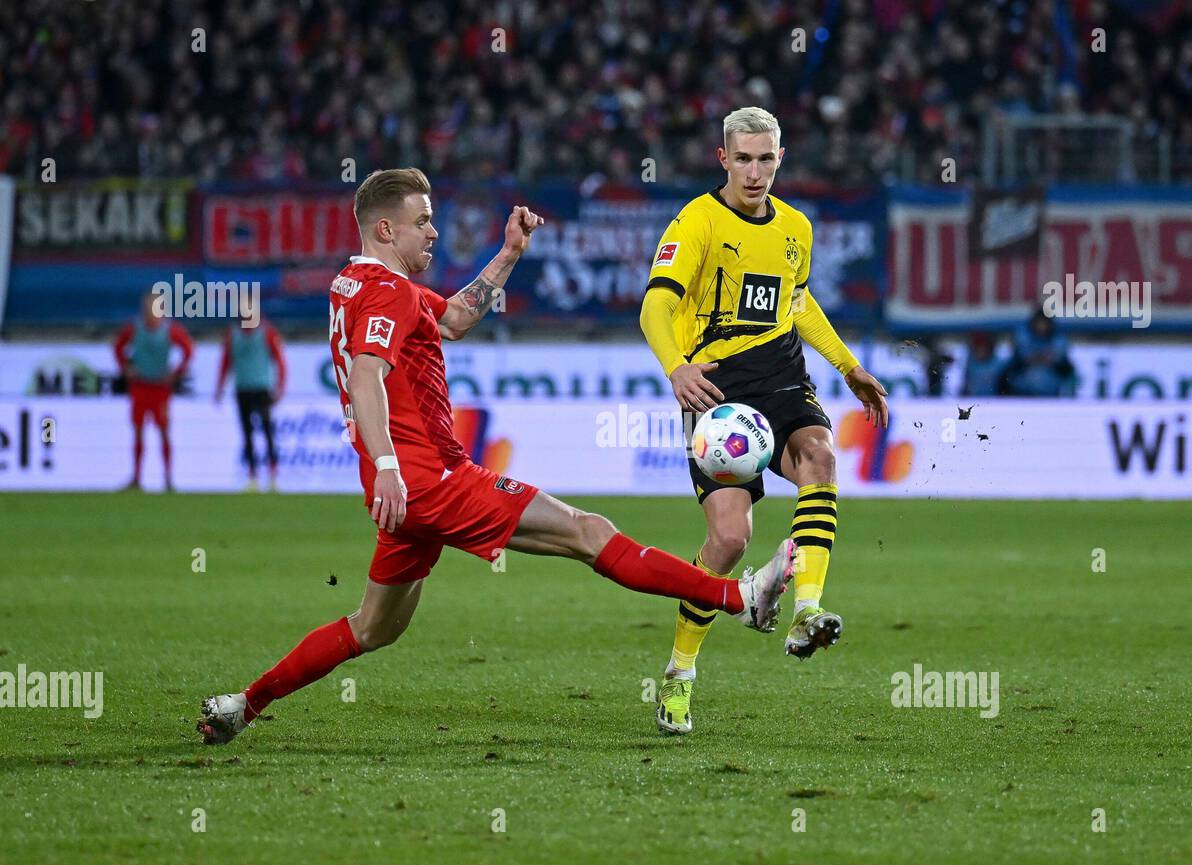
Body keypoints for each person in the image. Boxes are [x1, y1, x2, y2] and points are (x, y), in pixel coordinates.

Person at [197, 168, 795, 745]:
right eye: (422, 221)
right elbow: (366, 380)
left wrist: (509, 252)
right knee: (588, 533)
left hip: (406, 496)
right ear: (386, 230)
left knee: (372, 628)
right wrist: (387, 466)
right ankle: (738, 598)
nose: (434, 232)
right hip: (431, 479)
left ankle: (241, 705)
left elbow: (454, 320)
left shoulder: (355, 285)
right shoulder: (388, 294)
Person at [638, 107, 889, 735]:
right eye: (743, 159)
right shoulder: (696, 221)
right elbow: (655, 306)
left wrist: (848, 365)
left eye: (766, 159)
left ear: (781, 158)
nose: (755, 172)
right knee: (727, 541)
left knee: (822, 458)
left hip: (780, 374)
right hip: (716, 385)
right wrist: (675, 370)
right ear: (723, 159)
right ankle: (678, 674)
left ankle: (807, 608)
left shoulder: (796, 228)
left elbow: (796, 303)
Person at [113, 291, 194, 491]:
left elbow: (189, 350)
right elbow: (118, 348)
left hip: (160, 389)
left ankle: (168, 479)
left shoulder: (170, 330)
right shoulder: (135, 328)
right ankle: (137, 478)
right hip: (140, 387)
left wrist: (176, 373)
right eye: (148, 306)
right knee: (138, 431)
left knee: (164, 431)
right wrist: (126, 368)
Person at [214, 312, 288, 491]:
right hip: (242, 388)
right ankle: (253, 476)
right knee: (247, 433)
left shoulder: (267, 332)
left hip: (262, 388)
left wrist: (280, 388)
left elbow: (280, 361)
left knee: (267, 430)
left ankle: (272, 475)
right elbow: (226, 361)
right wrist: (220, 387)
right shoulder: (232, 334)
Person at [1001, 308, 1076, 397]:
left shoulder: (1059, 341)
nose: (1041, 326)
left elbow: (1065, 369)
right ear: (1033, 323)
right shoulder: (1022, 338)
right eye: (1039, 323)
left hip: (1051, 392)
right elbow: (1015, 365)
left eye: (1044, 323)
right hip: (1023, 392)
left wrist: (1047, 360)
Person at [962, 332, 1004, 397]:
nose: (980, 351)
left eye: (982, 348)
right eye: (977, 348)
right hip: (974, 400)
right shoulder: (969, 364)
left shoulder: (997, 363)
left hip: (995, 400)